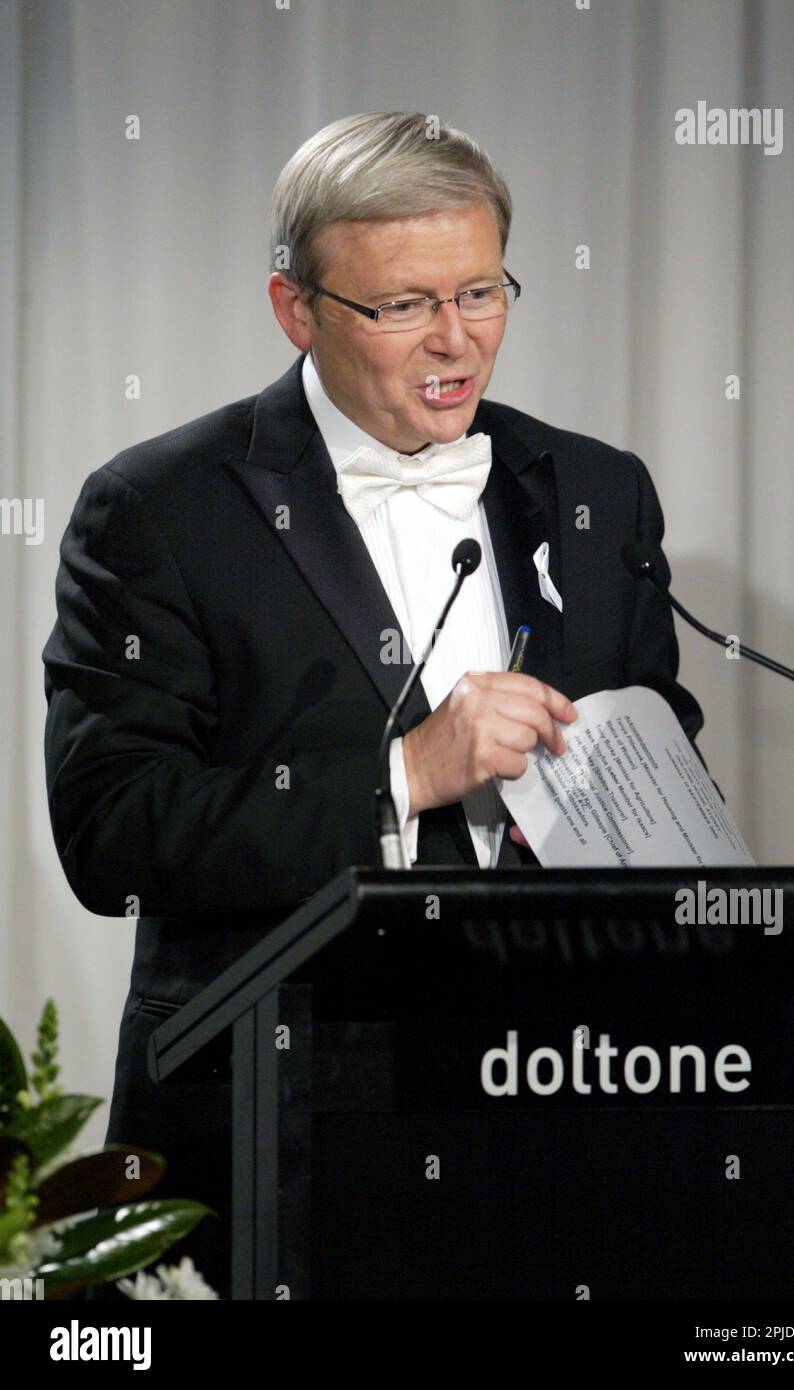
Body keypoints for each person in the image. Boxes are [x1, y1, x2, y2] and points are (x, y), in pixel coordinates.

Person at [42, 111, 704, 1297]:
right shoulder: (157, 508)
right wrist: (404, 775)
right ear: (295, 309)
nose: (455, 341)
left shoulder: (597, 488)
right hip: (269, 1135)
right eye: (402, 305)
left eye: (481, 291)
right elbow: (113, 830)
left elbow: (655, 739)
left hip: (554, 1110)